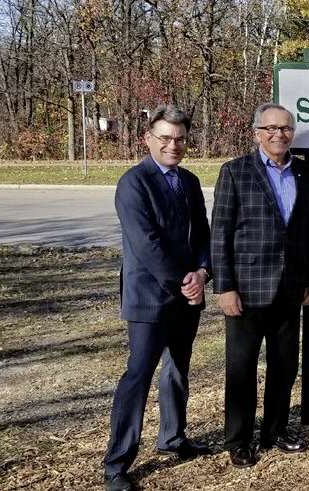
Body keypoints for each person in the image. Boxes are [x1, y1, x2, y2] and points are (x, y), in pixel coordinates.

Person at [103, 105, 211, 491]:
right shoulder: (134, 183)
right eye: (164, 137)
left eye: (180, 139)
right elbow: (145, 244)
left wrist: (203, 272)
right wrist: (184, 281)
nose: (173, 145)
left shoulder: (190, 181)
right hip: (149, 298)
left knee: (178, 369)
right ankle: (117, 464)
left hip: (187, 296)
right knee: (138, 375)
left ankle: (173, 437)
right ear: (147, 139)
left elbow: (203, 235)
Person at [211, 102, 309, 469]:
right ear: (257, 132)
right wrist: (224, 287)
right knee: (241, 369)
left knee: (285, 366)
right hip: (246, 291)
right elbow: (220, 234)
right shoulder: (235, 172)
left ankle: (275, 430)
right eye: (271, 128)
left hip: (290, 289)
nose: (279, 134)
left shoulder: (304, 173)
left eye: (286, 128)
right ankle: (239, 439)